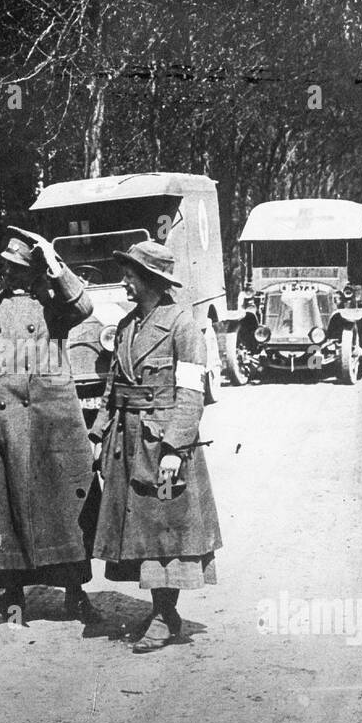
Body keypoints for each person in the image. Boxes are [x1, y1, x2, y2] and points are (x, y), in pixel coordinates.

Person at [0, 227, 101, 626]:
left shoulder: (53, 301)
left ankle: (75, 593)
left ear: (34, 272)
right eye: (5, 265)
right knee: (6, 507)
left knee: (64, 506)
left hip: (51, 419)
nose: (9, 273)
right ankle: (11, 596)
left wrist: (55, 263)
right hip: (6, 420)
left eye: (19, 268)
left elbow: (84, 306)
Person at [89, 240, 222, 653]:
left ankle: (165, 616)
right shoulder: (128, 325)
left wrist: (174, 448)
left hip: (163, 445)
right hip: (127, 444)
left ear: (150, 280)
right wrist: (101, 434)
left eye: (130, 275)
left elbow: (191, 392)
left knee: (166, 529)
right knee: (143, 529)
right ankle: (163, 611)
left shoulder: (183, 324)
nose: (124, 281)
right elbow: (114, 388)